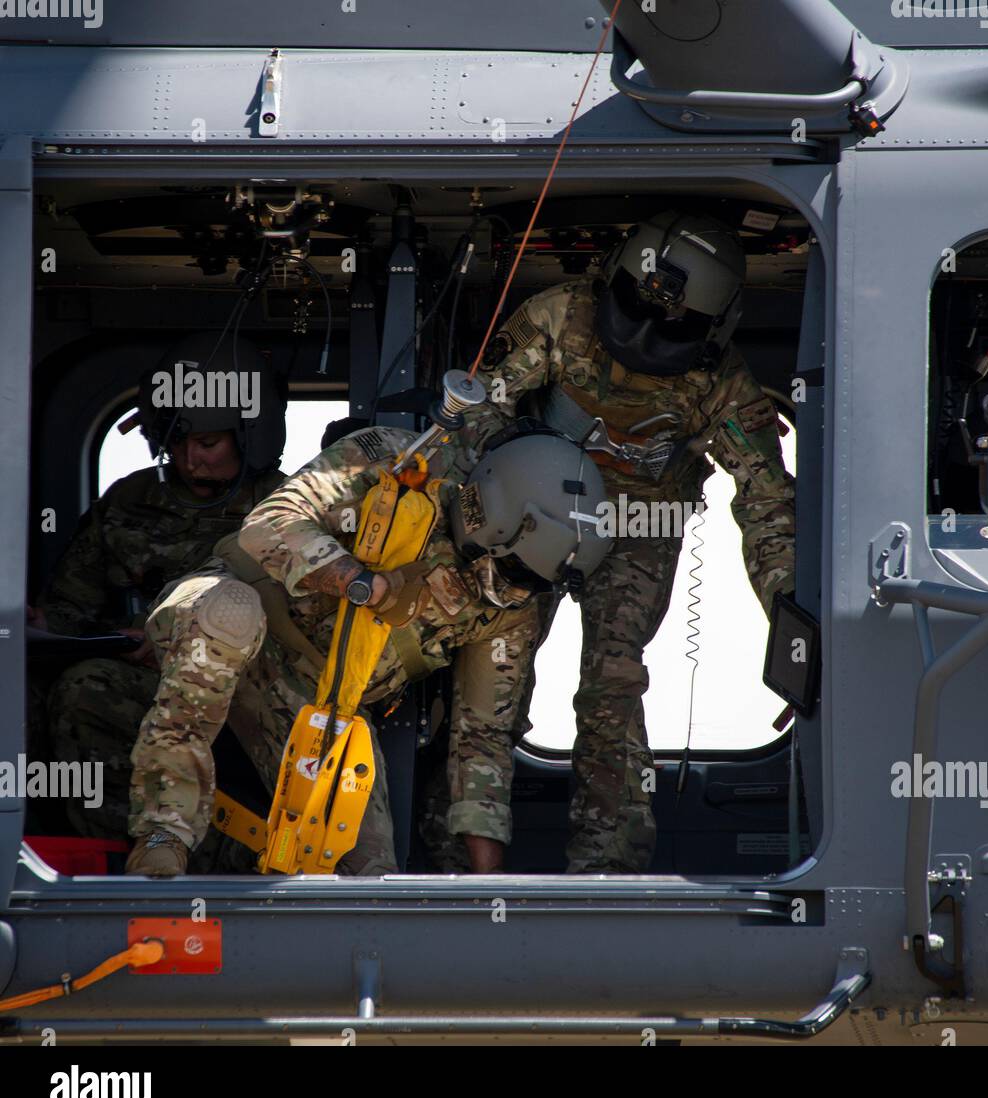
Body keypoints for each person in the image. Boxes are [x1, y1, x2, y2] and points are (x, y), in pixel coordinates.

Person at [451, 211, 795, 873]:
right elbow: (481, 411)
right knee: (492, 665)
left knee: (612, 677)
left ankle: (609, 864)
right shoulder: (559, 319)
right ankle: (463, 858)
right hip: (533, 498)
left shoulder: (723, 385)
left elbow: (769, 503)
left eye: (672, 324)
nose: (642, 332)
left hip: (640, 520)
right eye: (634, 308)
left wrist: (795, 624)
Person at [124, 421, 612, 877]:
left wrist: (490, 885)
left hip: (317, 694)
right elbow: (269, 525)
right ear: (486, 514)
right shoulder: (397, 465)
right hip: (234, 611)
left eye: (534, 586)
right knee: (229, 614)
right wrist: (359, 582)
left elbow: (481, 736)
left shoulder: (513, 601)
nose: (515, 593)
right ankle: (162, 836)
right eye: (512, 575)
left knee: (368, 878)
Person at [31, 332, 286, 842]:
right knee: (61, 690)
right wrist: (47, 626)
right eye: (174, 441)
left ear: (248, 433)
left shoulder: (286, 513)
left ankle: (215, 857)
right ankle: (119, 858)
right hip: (143, 688)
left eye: (207, 443)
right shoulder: (129, 503)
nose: (190, 458)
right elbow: (70, 608)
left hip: (250, 694)